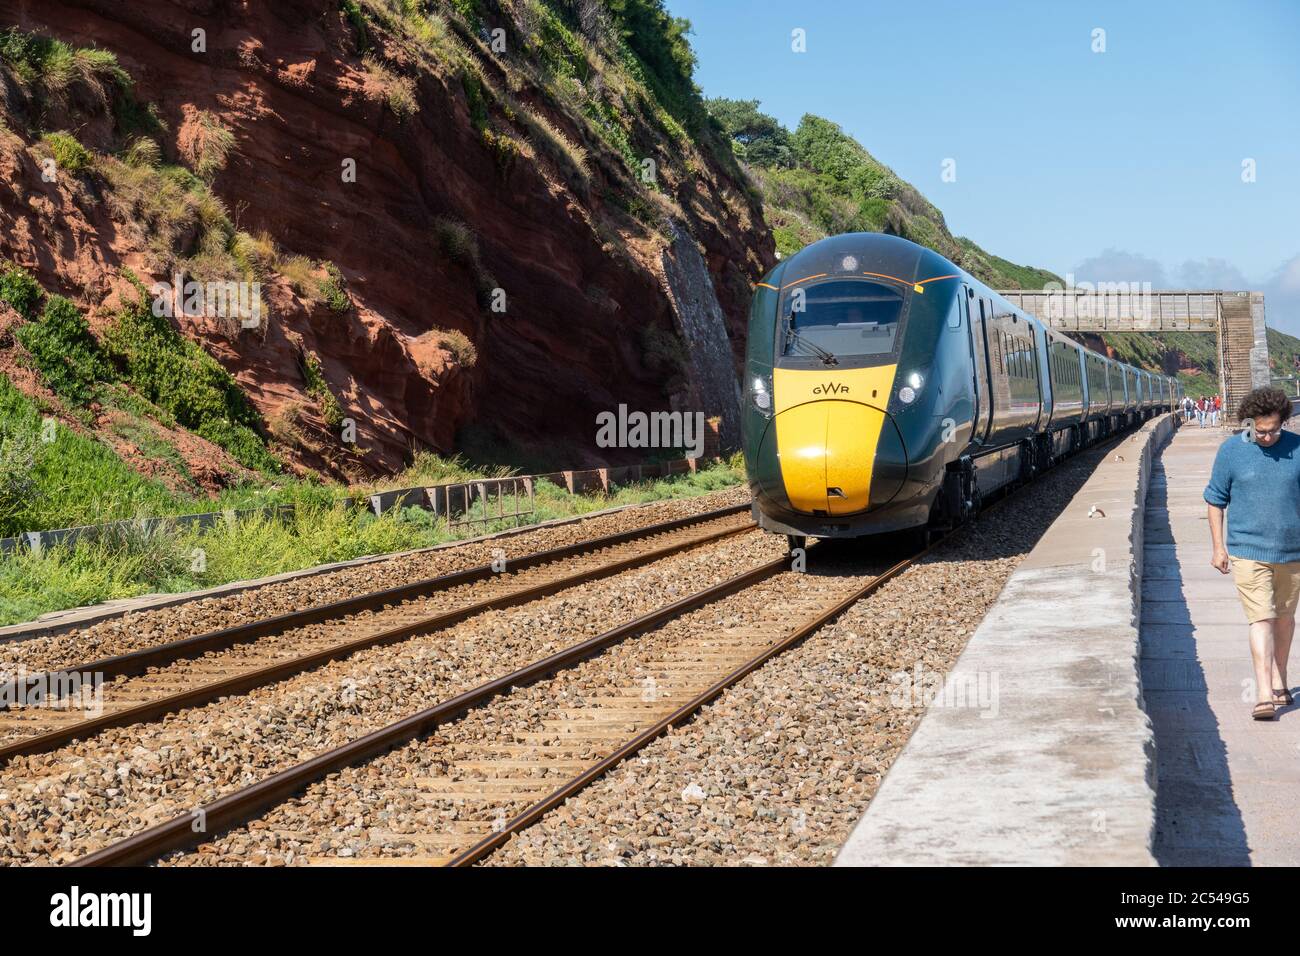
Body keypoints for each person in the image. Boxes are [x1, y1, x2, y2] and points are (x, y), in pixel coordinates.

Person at [1204, 387, 1300, 720]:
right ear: (1251, 423)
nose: (1268, 436)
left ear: (1283, 422)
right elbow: (1215, 500)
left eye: (1274, 430)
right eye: (1261, 431)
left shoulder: (1298, 449)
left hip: (1293, 552)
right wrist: (1219, 547)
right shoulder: (1231, 451)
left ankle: (1280, 677)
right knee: (1261, 617)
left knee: (1285, 619)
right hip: (1248, 551)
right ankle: (1263, 693)